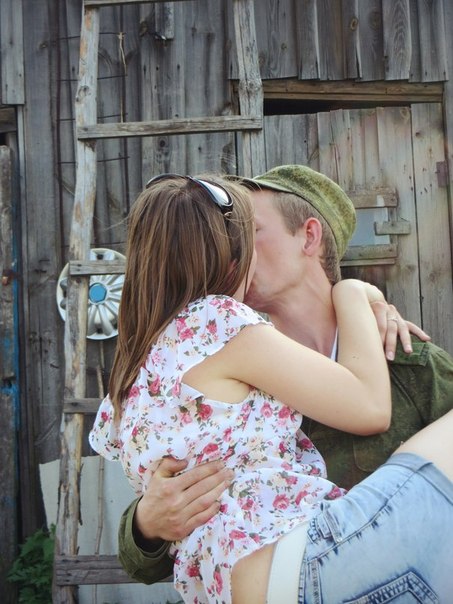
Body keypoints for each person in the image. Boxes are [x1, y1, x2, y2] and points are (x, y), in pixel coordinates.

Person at [89, 173, 453, 603]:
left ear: (309, 236)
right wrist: (145, 525)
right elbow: (142, 560)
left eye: (250, 231)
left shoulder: (411, 366)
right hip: (308, 573)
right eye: (232, 235)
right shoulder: (225, 348)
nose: (237, 248)